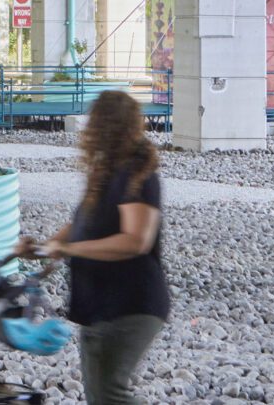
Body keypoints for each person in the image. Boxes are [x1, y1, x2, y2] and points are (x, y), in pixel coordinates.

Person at [16, 89, 168, 405]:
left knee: (111, 394)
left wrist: (72, 249)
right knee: (100, 395)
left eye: (96, 123)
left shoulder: (139, 175)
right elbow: (82, 224)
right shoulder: (105, 173)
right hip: (98, 303)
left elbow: (135, 241)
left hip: (131, 304)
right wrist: (45, 246)